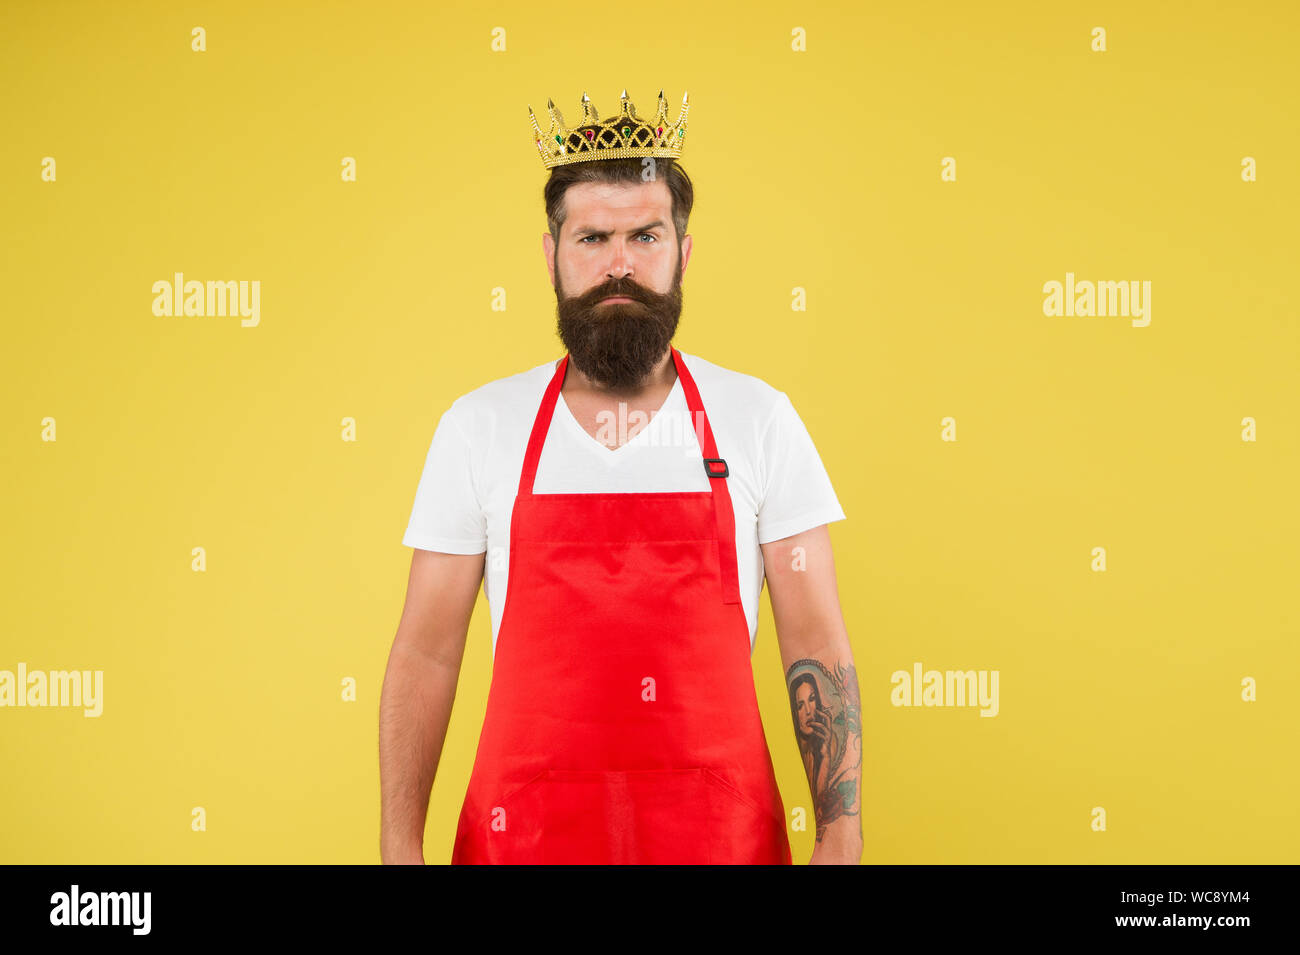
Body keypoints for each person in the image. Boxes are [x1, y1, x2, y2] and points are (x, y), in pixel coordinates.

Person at [379, 89, 862, 864]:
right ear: (550, 255)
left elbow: (814, 637)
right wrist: (400, 846)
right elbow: (427, 653)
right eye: (593, 237)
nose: (620, 264)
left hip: (721, 844)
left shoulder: (759, 418)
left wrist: (839, 835)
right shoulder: (480, 427)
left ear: (683, 251)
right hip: (521, 843)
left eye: (646, 234)